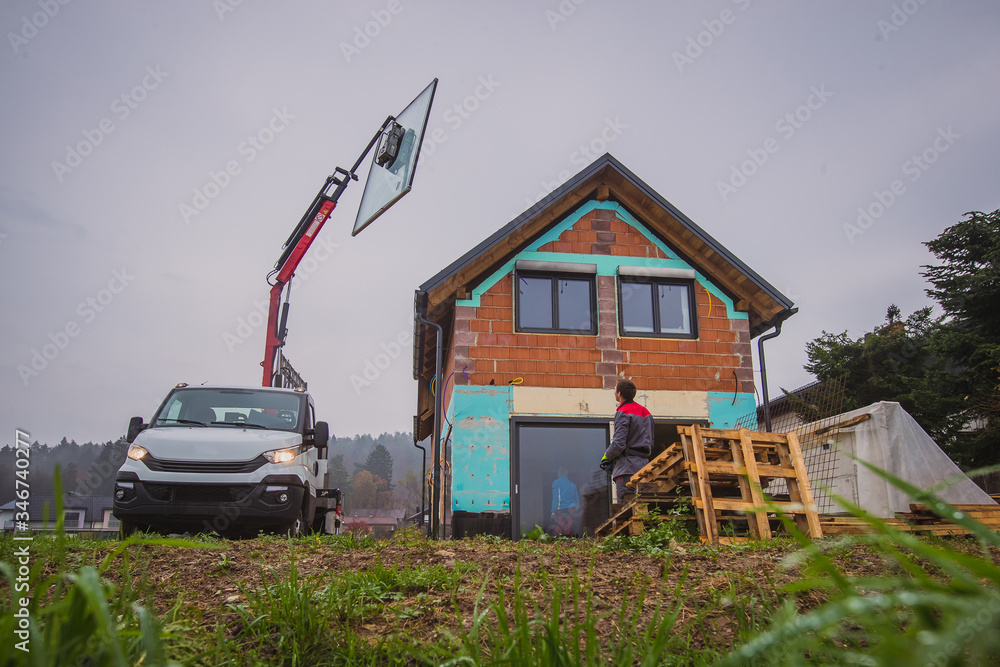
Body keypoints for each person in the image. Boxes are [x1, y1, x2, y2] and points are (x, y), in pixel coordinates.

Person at [601, 378, 653, 506]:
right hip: (644, 467)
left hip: (626, 469)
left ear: (619, 394)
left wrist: (606, 457)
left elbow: (618, 444)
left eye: (615, 389)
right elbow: (650, 441)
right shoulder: (646, 412)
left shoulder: (623, 412)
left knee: (626, 510)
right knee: (642, 507)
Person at [550, 467, 579, 535]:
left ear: (558, 474)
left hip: (561, 508)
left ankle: (560, 543)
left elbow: (555, 498)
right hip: (571, 509)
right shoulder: (573, 485)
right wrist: (576, 509)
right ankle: (570, 543)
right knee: (569, 528)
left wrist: (553, 511)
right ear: (566, 474)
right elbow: (576, 499)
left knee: (559, 528)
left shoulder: (556, 483)